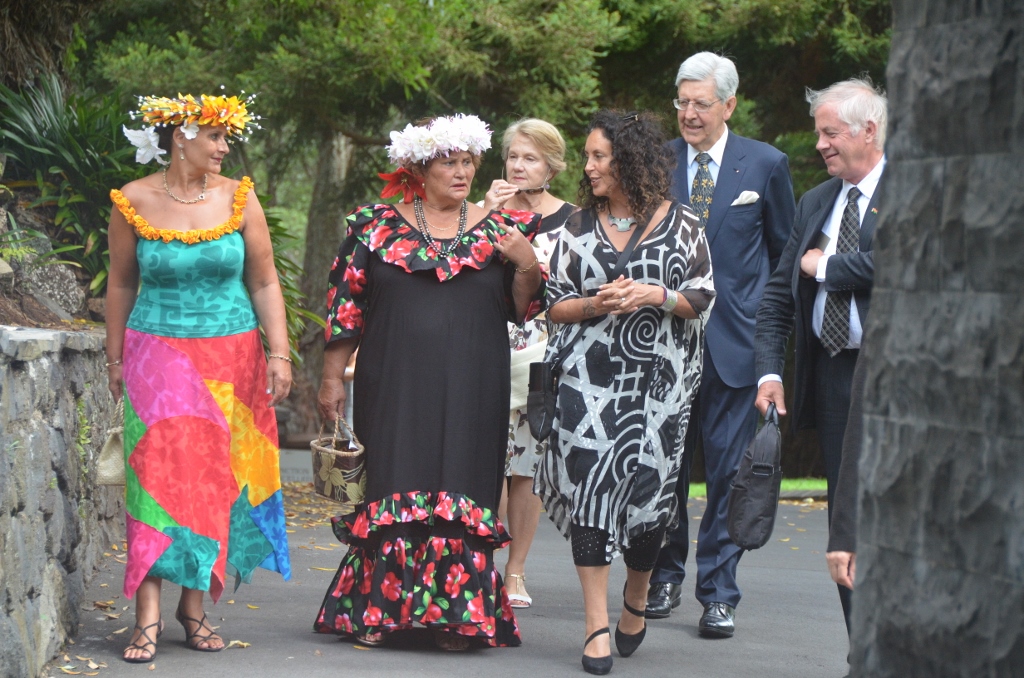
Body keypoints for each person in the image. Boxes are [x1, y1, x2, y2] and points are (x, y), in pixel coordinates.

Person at [314, 114, 544, 651]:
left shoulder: (500, 229)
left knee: (463, 485)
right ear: (419, 168)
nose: (462, 172)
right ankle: (381, 611)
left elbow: (522, 308)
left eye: (468, 162)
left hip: (475, 384)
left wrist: (526, 262)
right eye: (449, 162)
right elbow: (344, 308)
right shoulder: (372, 226)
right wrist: (331, 380)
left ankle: (455, 618)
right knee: (394, 481)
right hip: (394, 380)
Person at [106, 93, 293, 663]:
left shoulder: (240, 198)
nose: (224, 146)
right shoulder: (132, 200)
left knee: (213, 477)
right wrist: (114, 359)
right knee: (157, 476)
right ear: (180, 138)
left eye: (225, 136)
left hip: (232, 356)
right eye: (214, 136)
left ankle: (194, 607)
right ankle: (147, 615)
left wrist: (279, 353)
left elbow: (263, 281)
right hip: (155, 353)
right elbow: (120, 284)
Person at [535, 110, 715, 674]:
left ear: (629, 160)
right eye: (587, 157)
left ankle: (635, 601)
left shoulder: (684, 225)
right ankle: (594, 627)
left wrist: (654, 294)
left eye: (598, 156)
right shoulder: (574, 227)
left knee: (648, 510)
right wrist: (596, 304)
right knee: (590, 497)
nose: (587, 167)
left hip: (659, 393)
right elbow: (553, 305)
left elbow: (702, 297)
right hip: (587, 390)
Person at [645, 52, 795, 638]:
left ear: (728, 105)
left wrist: (770, 351)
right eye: (681, 102)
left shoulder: (767, 164)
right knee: (664, 471)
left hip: (734, 347)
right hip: (661, 345)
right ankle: (663, 574)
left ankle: (718, 592)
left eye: (700, 103)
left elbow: (783, 257)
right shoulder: (654, 163)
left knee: (731, 473)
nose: (688, 113)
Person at [754, 78, 887, 631]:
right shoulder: (816, 202)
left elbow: (894, 262)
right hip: (835, 381)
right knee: (846, 522)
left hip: (894, 381)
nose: (821, 145)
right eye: (819, 134)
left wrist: (824, 267)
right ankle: (862, 649)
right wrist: (769, 371)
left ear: (869, 131)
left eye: (830, 133)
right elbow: (779, 296)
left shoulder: (919, 189)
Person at [482, 118, 578, 609]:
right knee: (484, 464)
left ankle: (515, 571)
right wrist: (483, 214)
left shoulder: (575, 219)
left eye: (531, 158)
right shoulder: (483, 211)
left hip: (544, 358)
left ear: (552, 166)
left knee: (527, 469)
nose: (519, 166)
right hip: (486, 354)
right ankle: (482, 564)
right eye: (514, 157)